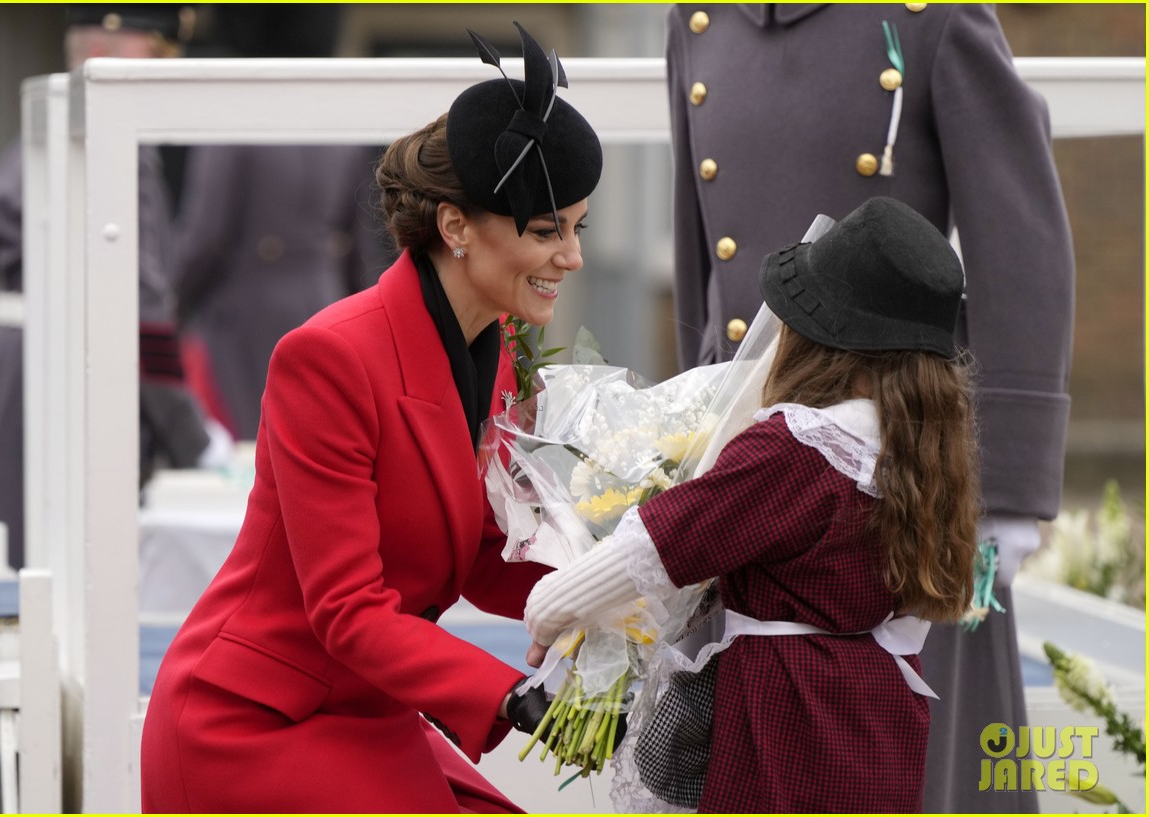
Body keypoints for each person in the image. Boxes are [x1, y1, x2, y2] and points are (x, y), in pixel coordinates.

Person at [139, 22, 602, 812]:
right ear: (456, 228)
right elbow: (348, 610)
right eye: (544, 230)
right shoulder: (328, 358)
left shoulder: (495, 345)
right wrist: (517, 698)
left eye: (578, 228)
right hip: (254, 724)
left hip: (370, 711)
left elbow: (485, 550)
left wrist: (614, 589)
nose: (573, 256)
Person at [664, 5, 1073, 811]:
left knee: (917, 770)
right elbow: (699, 261)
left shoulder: (932, 18)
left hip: (897, 472)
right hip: (750, 460)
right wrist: (685, 434)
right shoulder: (698, 19)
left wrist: (1011, 489)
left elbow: (1017, 239)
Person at [524, 196, 980, 813]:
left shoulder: (801, 446)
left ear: (818, 338)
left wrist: (550, 609)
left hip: (786, 714)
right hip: (878, 715)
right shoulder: (920, 450)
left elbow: (661, 541)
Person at [0, 5, 224, 589]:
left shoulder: (47, 133)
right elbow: (139, 319)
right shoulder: (113, 143)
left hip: (17, 361)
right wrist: (193, 439)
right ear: (108, 54)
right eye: (159, 56)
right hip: (58, 374)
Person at [169, 144, 391, 440]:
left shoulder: (231, 132)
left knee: (253, 450)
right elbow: (360, 247)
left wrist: (171, 305)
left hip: (247, 314)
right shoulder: (341, 137)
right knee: (318, 438)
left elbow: (205, 239)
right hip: (327, 299)